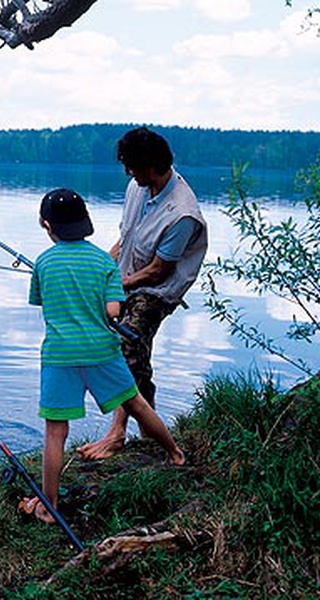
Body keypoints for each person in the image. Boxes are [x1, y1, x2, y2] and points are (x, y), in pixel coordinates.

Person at [23, 188, 185, 524]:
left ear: (45, 224)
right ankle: (175, 453)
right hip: (102, 352)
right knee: (137, 404)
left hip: (60, 355)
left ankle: (49, 505)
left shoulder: (43, 262)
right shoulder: (103, 262)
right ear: (86, 223)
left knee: (56, 431)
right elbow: (114, 309)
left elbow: (40, 300)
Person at [78, 126, 208, 460]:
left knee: (128, 343)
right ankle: (140, 424)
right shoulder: (138, 188)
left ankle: (120, 433)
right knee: (126, 349)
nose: (126, 172)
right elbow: (126, 239)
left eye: (131, 166)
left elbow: (159, 270)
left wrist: (114, 285)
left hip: (158, 290)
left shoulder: (183, 213)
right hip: (129, 277)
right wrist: (100, 270)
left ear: (150, 166)